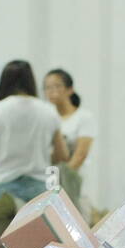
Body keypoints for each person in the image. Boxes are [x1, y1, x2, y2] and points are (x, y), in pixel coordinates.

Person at [0, 60, 69, 248]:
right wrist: (40, 155)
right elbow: (62, 155)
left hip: (3, 192)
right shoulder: (48, 112)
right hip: (38, 190)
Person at [44, 68, 95, 213]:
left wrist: (62, 183)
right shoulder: (46, 117)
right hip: (49, 183)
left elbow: (80, 155)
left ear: (70, 89)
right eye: (47, 87)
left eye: (57, 86)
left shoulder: (83, 117)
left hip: (74, 182)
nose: (52, 91)